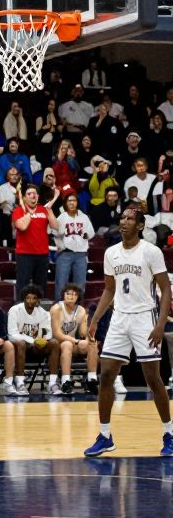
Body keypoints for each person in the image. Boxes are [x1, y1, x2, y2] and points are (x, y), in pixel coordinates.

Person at [85, 207, 173, 457]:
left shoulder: (151, 251)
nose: (123, 222)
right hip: (119, 318)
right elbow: (109, 290)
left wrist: (160, 324)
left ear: (140, 226)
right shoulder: (111, 253)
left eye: (130, 219)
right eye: (122, 218)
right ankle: (104, 436)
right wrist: (95, 319)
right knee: (106, 376)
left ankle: (169, 433)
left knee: (153, 379)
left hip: (145, 317)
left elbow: (165, 289)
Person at [50, 283, 100, 396]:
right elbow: (57, 334)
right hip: (54, 344)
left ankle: (91, 379)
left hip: (71, 343)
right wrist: (77, 341)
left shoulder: (81, 310)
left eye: (74, 294)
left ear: (78, 297)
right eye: (68, 294)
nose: (71, 296)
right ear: (63, 295)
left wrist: (89, 337)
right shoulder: (56, 308)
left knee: (92, 344)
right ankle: (65, 381)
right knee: (67, 344)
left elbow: (82, 332)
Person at [6, 284, 55, 397]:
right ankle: (20, 382)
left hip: (36, 346)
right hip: (17, 345)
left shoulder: (43, 313)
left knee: (54, 343)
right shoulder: (14, 310)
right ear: (24, 298)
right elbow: (12, 333)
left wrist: (43, 339)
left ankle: (52, 383)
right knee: (21, 343)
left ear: (38, 300)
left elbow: (48, 333)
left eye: (34, 298)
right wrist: (32, 340)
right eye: (28, 298)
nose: (30, 301)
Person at [13, 184, 59, 294]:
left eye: (35, 194)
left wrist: (50, 212)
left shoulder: (44, 210)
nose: (33, 196)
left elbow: (55, 226)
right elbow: (22, 226)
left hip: (42, 254)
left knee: (40, 286)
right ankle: (20, 308)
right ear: (23, 198)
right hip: (24, 254)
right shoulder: (18, 211)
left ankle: (39, 309)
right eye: (29, 194)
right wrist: (29, 213)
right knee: (23, 285)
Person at [53, 194, 94, 301]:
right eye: (69, 200)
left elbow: (91, 233)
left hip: (81, 254)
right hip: (64, 253)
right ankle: (59, 309)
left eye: (74, 200)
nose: (71, 202)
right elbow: (53, 232)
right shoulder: (61, 217)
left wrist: (85, 235)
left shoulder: (84, 217)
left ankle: (79, 309)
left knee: (80, 284)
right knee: (61, 283)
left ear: (77, 202)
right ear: (65, 203)